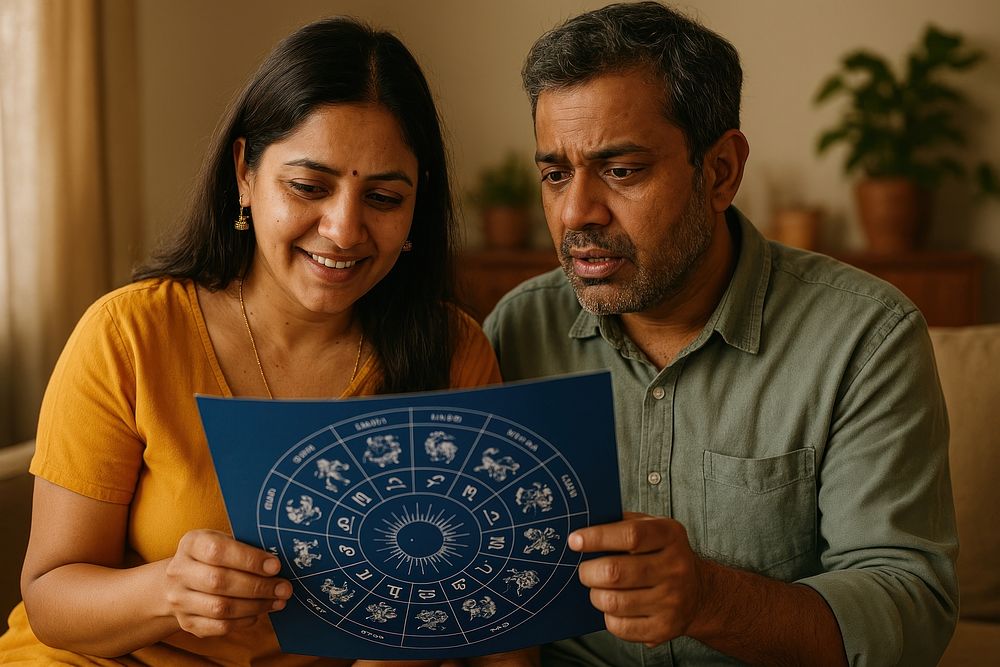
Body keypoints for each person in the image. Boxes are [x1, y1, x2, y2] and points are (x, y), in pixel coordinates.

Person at [0, 16, 533, 667]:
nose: (343, 229)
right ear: (245, 174)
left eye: (385, 197)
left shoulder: (453, 352)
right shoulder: (129, 334)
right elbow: (51, 597)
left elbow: (497, 629)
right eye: (309, 187)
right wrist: (169, 588)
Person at [484, 2, 958, 666]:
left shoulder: (866, 338)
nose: (575, 213)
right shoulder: (516, 329)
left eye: (621, 171)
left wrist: (708, 597)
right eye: (556, 173)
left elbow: (909, 606)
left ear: (720, 172)